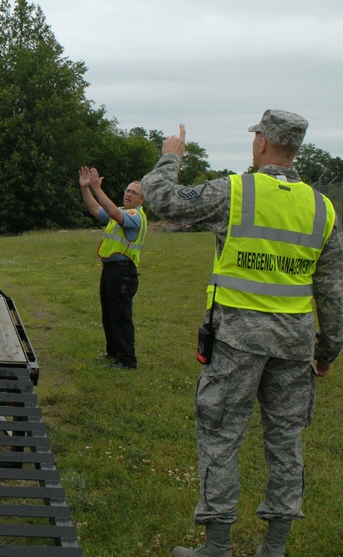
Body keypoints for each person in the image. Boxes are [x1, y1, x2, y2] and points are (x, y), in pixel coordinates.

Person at [141, 112, 342, 557]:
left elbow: (163, 200)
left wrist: (171, 157)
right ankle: (274, 548)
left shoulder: (236, 192)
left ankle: (216, 547)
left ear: (262, 143)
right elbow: (332, 292)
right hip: (294, 345)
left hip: (237, 340)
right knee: (286, 443)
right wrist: (327, 351)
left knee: (220, 437)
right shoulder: (322, 208)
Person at [79, 166, 146, 369]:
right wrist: (85, 188)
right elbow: (95, 209)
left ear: (142, 199)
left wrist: (97, 188)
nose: (128, 194)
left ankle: (127, 360)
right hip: (111, 270)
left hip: (123, 271)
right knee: (109, 313)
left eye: (134, 193)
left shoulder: (135, 216)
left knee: (120, 315)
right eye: (127, 190)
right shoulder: (122, 212)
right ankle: (114, 352)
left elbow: (113, 212)